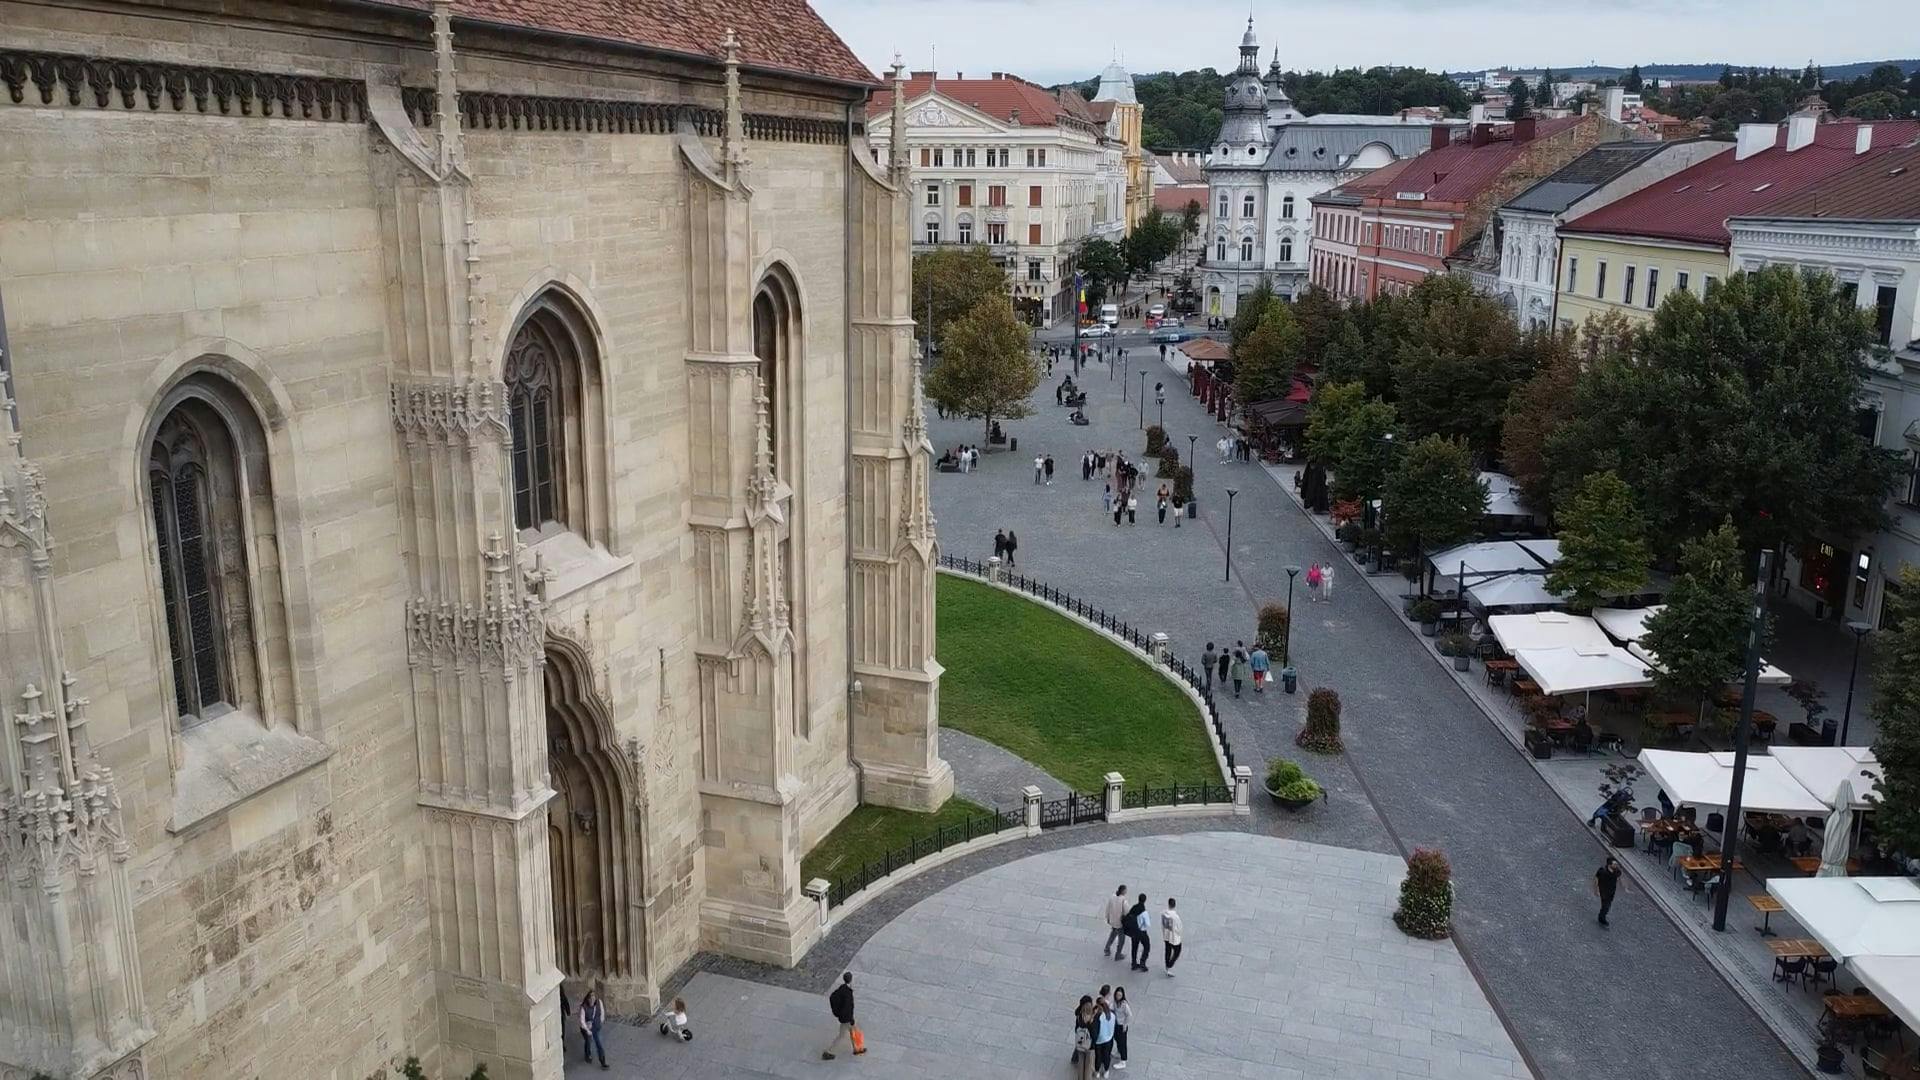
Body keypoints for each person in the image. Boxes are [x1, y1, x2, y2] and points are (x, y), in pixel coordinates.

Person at [821, 971, 862, 1059]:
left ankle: (857, 1048)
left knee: (854, 1031)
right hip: (846, 1019)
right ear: (851, 980)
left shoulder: (842, 988)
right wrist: (850, 1019)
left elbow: (833, 997)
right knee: (842, 1036)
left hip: (844, 1017)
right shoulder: (847, 993)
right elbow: (848, 1008)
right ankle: (829, 1052)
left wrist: (837, 1012)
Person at [578, 987, 607, 1068]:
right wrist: (587, 1030)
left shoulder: (599, 1002)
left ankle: (602, 1061)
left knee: (598, 1043)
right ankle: (587, 1055)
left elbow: (602, 1012)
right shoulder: (583, 1007)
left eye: (593, 998)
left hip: (595, 1026)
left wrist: (600, 1021)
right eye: (590, 998)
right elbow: (582, 1021)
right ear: (587, 999)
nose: (592, 1000)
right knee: (588, 1041)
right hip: (586, 1028)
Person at [1102, 884, 1129, 961]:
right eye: (1126, 890)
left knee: (1113, 934)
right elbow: (1127, 912)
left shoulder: (1112, 897)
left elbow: (1107, 908)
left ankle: (1107, 949)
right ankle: (1118, 954)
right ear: (1123, 891)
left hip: (1113, 921)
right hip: (1120, 923)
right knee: (1121, 939)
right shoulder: (1123, 900)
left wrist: (1107, 918)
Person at [1092, 994, 1116, 1077]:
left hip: (1099, 1040)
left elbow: (1095, 1030)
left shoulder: (1098, 1017)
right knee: (1106, 1055)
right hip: (1109, 1038)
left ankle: (1097, 1071)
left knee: (1098, 1056)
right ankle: (1106, 1071)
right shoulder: (1112, 1015)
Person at [1125, 892, 1151, 971]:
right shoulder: (1144, 912)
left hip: (1133, 931)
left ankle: (1134, 963)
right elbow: (1148, 924)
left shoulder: (1134, 907)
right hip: (1142, 932)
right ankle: (1142, 962)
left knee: (1134, 947)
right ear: (1145, 900)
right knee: (1147, 946)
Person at [1072, 997, 1096, 1080]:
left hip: (1080, 1044)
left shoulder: (1079, 1017)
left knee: (1081, 1064)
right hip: (1090, 1047)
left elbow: (1076, 1030)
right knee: (1088, 1067)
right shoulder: (1092, 1021)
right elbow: (1094, 1036)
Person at [1595, 857, 1622, 927]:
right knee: (1606, 906)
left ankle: (1602, 916)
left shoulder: (1616, 871)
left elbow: (1619, 877)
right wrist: (1597, 890)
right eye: (1614, 864)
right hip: (1603, 891)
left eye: (1616, 864)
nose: (1616, 865)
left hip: (1611, 892)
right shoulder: (1603, 871)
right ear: (1609, 865)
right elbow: (1596, 878)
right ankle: (1601, 918)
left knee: (1607, 905)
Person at [1111, 986, 1132, 1071]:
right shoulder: (1115, 1002)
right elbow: (1112, 1007)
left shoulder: (1124, 1005)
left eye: (1120, 995)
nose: (1118, 996)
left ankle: (1123, 1060)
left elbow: (1129, 1015)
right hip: (1116, 1024)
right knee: (1117, 1039)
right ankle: (1119, 1052)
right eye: (1117, 995)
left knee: (1122, 1042)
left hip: (1122, 1025)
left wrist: (1125, 1025)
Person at [1161, 898, 1183, 975]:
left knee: (1168, 950)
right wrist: (1179, 934)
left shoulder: (1163, 913)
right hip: (1174, 937)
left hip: (1166, 935)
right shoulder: (1175, 917)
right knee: (1177, 951)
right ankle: (1169, 964)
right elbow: (1179, 927)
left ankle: (1167, 965)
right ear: (1175, 905)